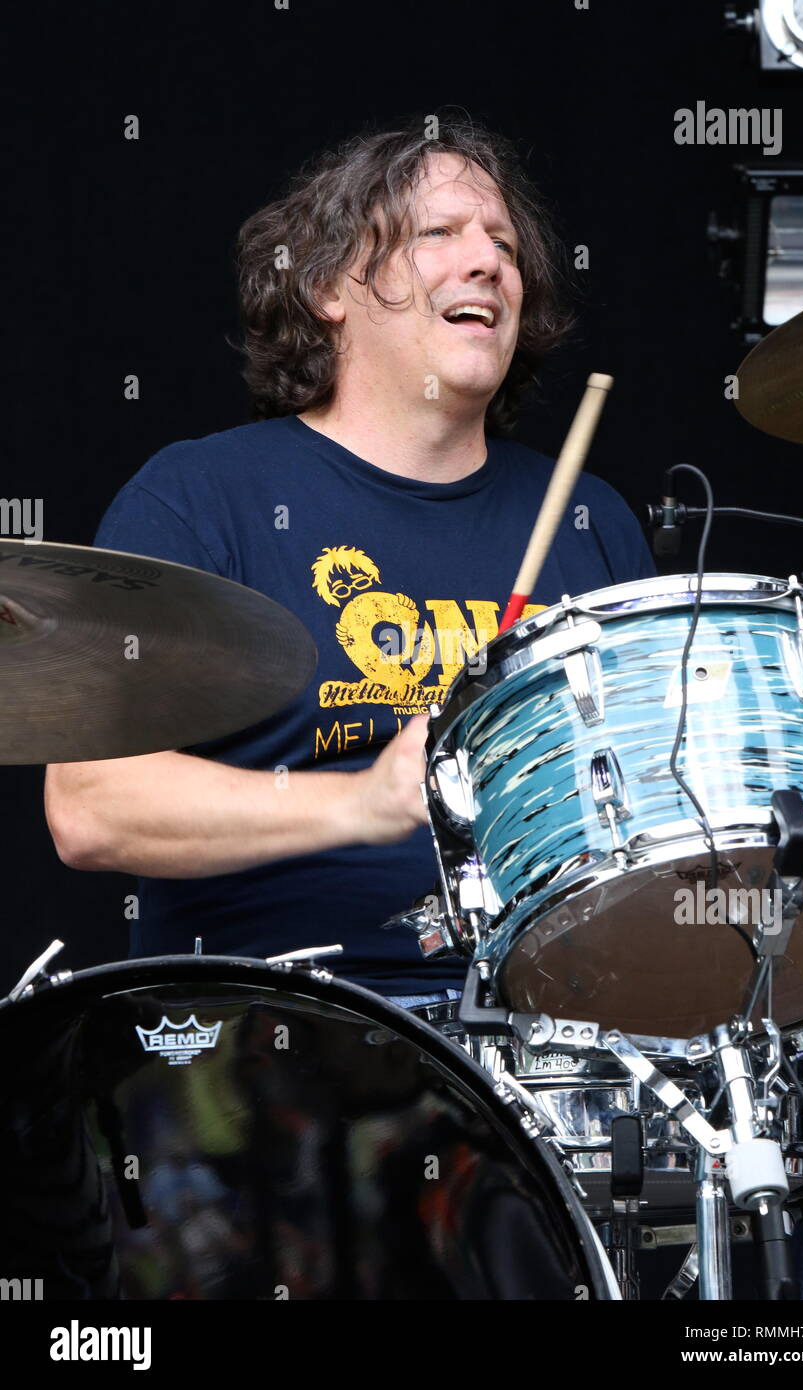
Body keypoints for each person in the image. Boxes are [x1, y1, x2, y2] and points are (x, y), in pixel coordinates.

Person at [44, 116, 654, 1008]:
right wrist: (363, 802)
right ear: (329, 284)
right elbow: (91, 804)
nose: (485, 261)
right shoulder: (202, 498)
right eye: (437, 233)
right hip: (276, 1035)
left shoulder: (589, 519)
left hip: (553, 1049)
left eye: (503, 245)